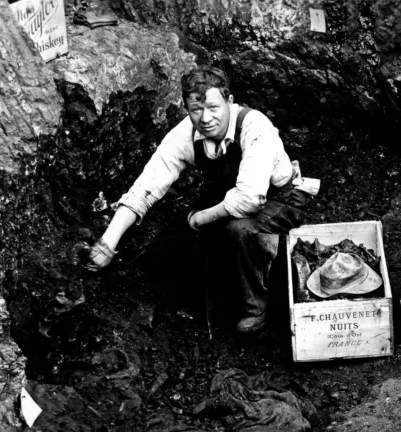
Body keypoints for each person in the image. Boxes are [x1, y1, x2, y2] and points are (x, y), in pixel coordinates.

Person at [81, 66, 312, 334]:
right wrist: (108, 243)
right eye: (196, 110)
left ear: (229, 101)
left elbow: (250, 198)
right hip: (226, 198)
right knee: (165, 247)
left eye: (213, 108)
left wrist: (199, 219)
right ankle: (202, 303)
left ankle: (255, 307)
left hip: (278, 200)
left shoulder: (254, 126)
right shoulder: (187, 133)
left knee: (239, 230)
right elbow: (146, 186)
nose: (205, 118)